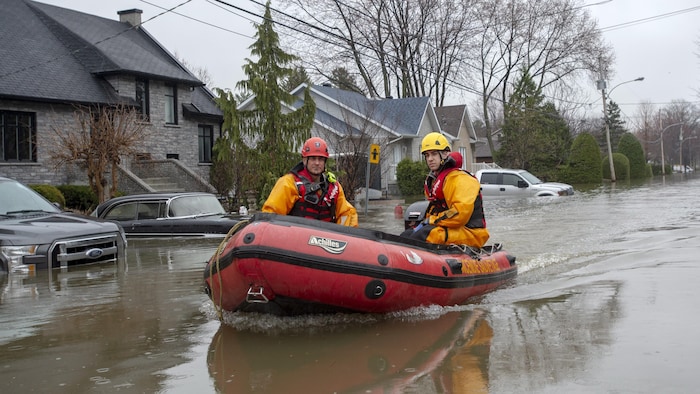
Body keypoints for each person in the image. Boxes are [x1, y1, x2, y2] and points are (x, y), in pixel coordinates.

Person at [401, 132, 489, 247]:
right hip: (450, 227)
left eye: (433, 154)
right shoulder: (434, 181)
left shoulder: (460, 179)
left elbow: (459, 214)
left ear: (444, 154)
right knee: (406, 235)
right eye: (427, 155)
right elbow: (434, 209)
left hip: (471, 232)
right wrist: (424, 223)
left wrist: (432, 221)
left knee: (428, 234)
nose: (430, 159)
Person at [262, 137, 358, 227]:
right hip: (296, 239)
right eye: (313, 158)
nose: (317, 163)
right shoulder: (289, 183)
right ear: (304, 160)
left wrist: (343, 237)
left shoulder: (334, 188)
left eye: (320, 159)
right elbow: (271, 213)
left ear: (325, 162)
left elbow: (347, 213)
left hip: (325, 240)